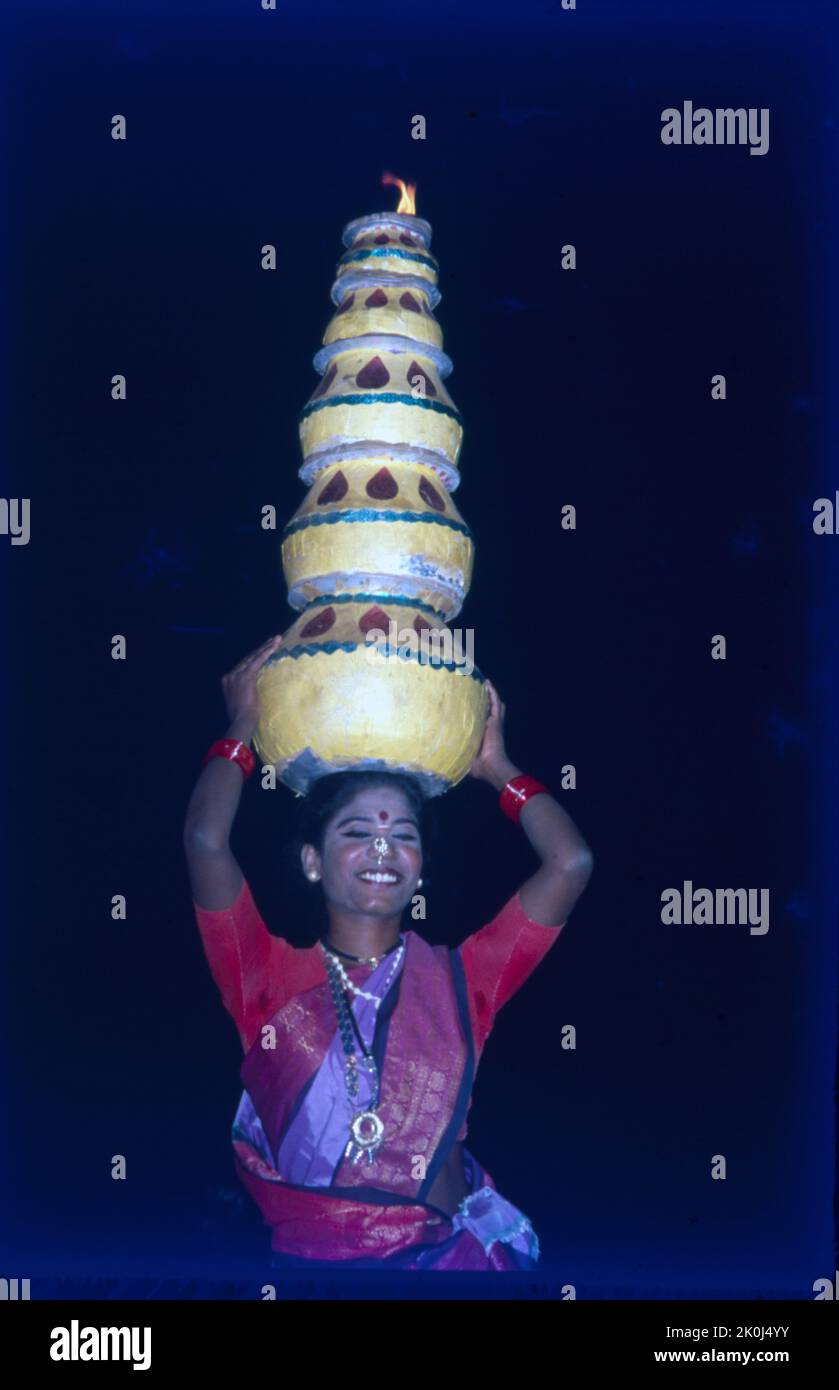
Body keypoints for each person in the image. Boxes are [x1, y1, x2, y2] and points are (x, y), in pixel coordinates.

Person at [183, 634, 593, 1270]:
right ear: (312, 862)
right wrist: (241, 728)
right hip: (315, 1272)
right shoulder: (263, 978)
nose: (383, 849)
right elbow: (206, 841)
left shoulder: (464, 979)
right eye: (357, 832)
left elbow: (572, 862)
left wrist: (498, 769)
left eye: (402, 835)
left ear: (420, 867)